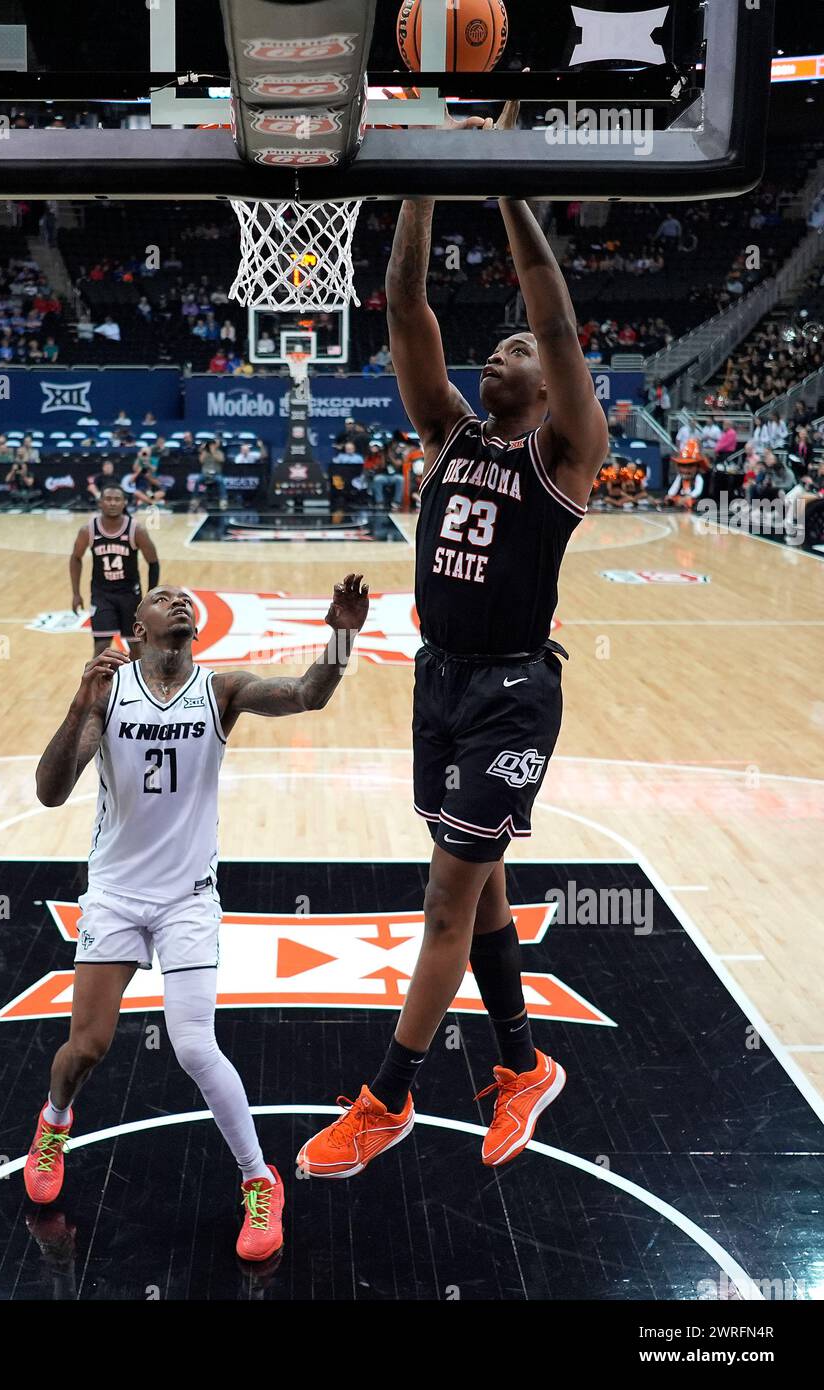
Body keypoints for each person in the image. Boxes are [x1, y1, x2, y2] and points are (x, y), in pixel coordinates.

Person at [299, 104, 608, 1179]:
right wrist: (423, 176)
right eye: (496, 344)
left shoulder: (566, 455)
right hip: (440, 681)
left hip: (515, 691)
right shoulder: (445, 436)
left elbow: (556, 319)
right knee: (477, 890)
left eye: (515, 347)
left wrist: (508, 179)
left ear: (555, 383)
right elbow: (401, 303)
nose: (502, 349)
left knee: (442, 897)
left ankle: (388, 1095)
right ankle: (522, 1064)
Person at [26, 575, 370, 1262]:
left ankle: (258, 1179)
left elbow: (306, 693)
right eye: (162, 598)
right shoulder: (110, 691)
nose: (178, 601)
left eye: (185, 598)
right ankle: (54, 1121)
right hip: (117, 894)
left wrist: (342, 632)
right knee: (85, 1050)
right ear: (138, 629)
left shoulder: (219, 691)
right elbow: (49, 791)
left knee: (192, 1045)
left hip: (188, 896)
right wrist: (76, 706)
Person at [69, 485, 160, 657]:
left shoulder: (136, 530)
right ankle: (100, 684)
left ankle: (136, 683)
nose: (112, 503)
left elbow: (153, 562)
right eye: (108, 499)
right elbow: (75, 558)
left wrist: (150, 597)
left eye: (117, 499)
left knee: (137, 649)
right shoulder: (88, 530)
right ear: (100, 503)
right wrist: (76, 593)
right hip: (102, 595)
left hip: (130, 595)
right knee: (101, 648)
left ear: (124, 503)